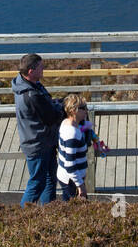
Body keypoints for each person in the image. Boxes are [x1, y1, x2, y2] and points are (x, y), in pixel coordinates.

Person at [13, 53, 64, 206]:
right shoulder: (31, 94)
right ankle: (21, 215)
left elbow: (46, 105)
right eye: (41, 67)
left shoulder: (27, 85)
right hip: (37, 144)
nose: (43, 70)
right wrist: (64, 108)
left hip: (43, 142)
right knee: (37, 183)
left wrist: (56, 104)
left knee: (48, 180)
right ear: (31, 71)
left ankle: (47, 213)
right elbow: (51, 118)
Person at [57, 94, 94, 200]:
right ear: (74, 110)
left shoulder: (66, 123)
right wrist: (80, 186)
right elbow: (70, 164)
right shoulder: (71, 133)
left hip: (67, 177)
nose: (86, 111)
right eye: (83, 108)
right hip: (71, 181)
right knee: (77, 211)